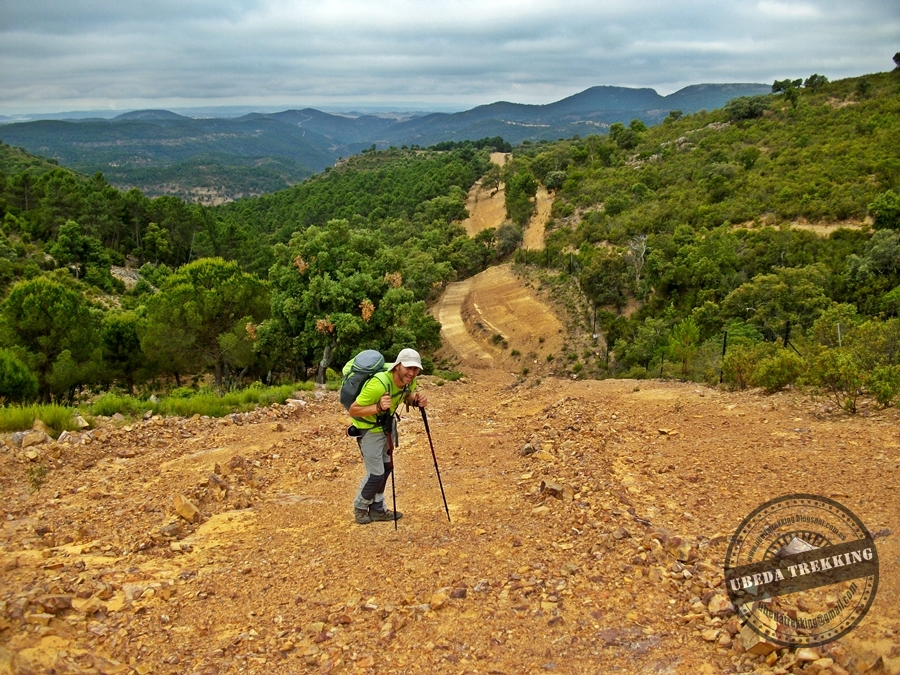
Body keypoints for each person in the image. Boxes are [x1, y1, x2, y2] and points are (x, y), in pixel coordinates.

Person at [347, 348, 429, 524]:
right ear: (398, 365)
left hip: (387, 428)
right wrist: (377, 408)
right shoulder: (378, 385)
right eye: (408, 368)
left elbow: (405, 396)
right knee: (376, 474)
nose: (412, 373)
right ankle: (360, 507)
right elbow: (354, 410)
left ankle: (377, 508)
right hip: (369, 431)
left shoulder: (408, 382)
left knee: (387, 468)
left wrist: (415, 400)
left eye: (415, 369)